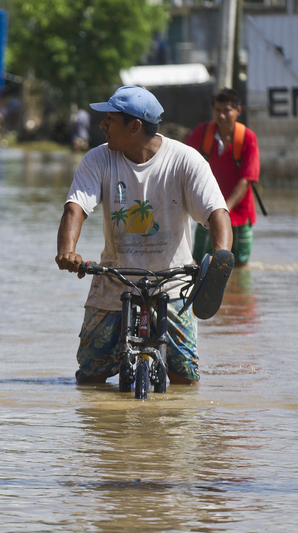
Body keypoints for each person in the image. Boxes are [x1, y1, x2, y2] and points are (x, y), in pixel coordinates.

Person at [55, 86, 233, 385]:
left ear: (135, 126)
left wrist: (219, 258)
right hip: (115, 278)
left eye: (110, 119)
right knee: (89, 375)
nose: (102, 125)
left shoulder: (185, 161)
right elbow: (75, 208)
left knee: (185, 378)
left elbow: (218, 213)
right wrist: (67, 250)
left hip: (173, 282)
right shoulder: (98, 159)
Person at [185, 88, 260, 266]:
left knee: (240, 266)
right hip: (207, 212)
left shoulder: (247, 138)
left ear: (238, 111)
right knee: (200, 263)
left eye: (227, 110)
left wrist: (223, 210)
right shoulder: (202, 133)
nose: (222, 115)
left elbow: (246, 180)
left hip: (240, 213)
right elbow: (182, 162)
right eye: (218, 110)